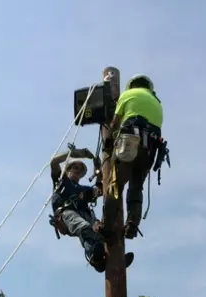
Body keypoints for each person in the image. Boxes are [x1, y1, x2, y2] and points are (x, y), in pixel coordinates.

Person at [99, 74, 164, 240]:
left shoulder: (127, 95)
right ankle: (132, 225)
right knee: (136, 188)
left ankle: (107, 227)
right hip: (149, 149)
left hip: (129, 142)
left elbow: (115, 122)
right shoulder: (157, 102)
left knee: (115, 185)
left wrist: (108, 142)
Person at [50, 148, 134, 273]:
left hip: (84, 215)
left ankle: (113, 259)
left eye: (80, 169)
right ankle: (94, 257)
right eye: (75, 167)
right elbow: (54, 162)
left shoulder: (84, 190)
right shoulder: (61, 181)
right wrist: (77, 154)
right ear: (67, 169)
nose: (78, 170)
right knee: (85, 227)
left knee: (103, 231)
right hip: (66, 214)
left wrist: (98, 166)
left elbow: (100, 188)